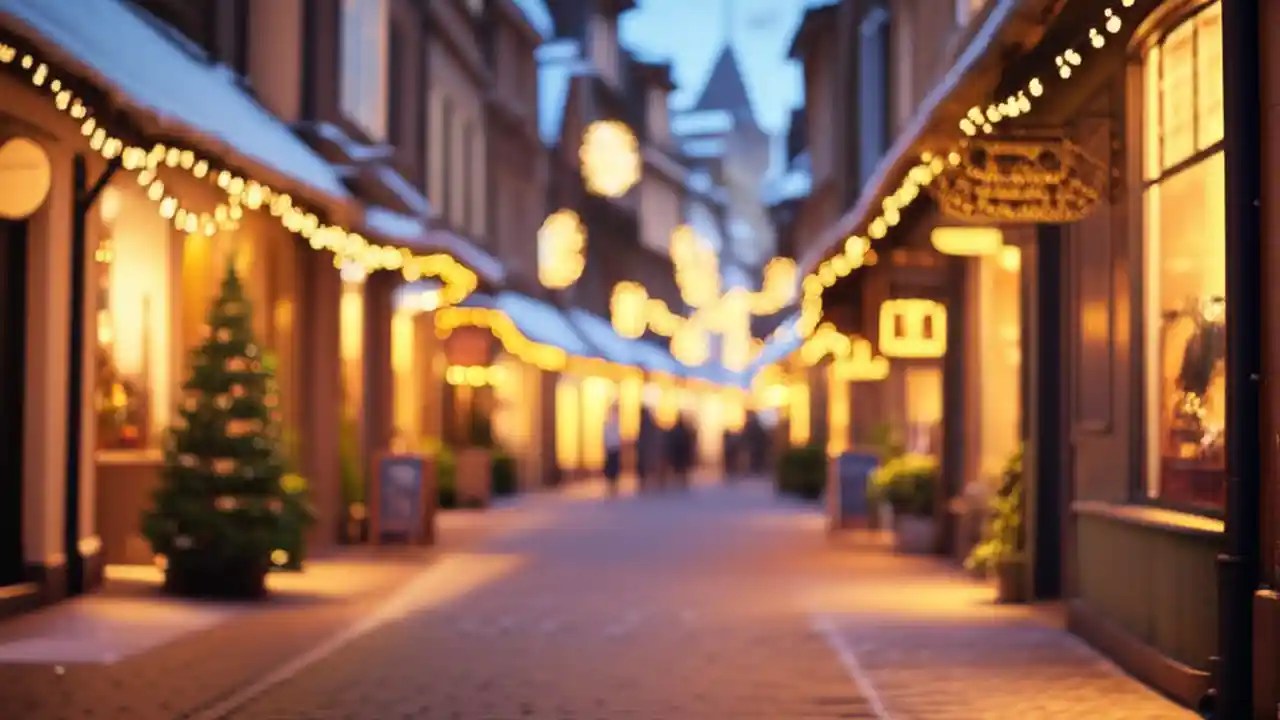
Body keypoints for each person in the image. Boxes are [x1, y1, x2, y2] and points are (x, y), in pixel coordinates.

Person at [603, 407, 622, 496]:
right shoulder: (610, 424)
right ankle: (611, 486)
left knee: (613, 468)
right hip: (611, 448)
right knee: (611, 467)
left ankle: (613, 486)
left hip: (614, 448)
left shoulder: (616, 424)